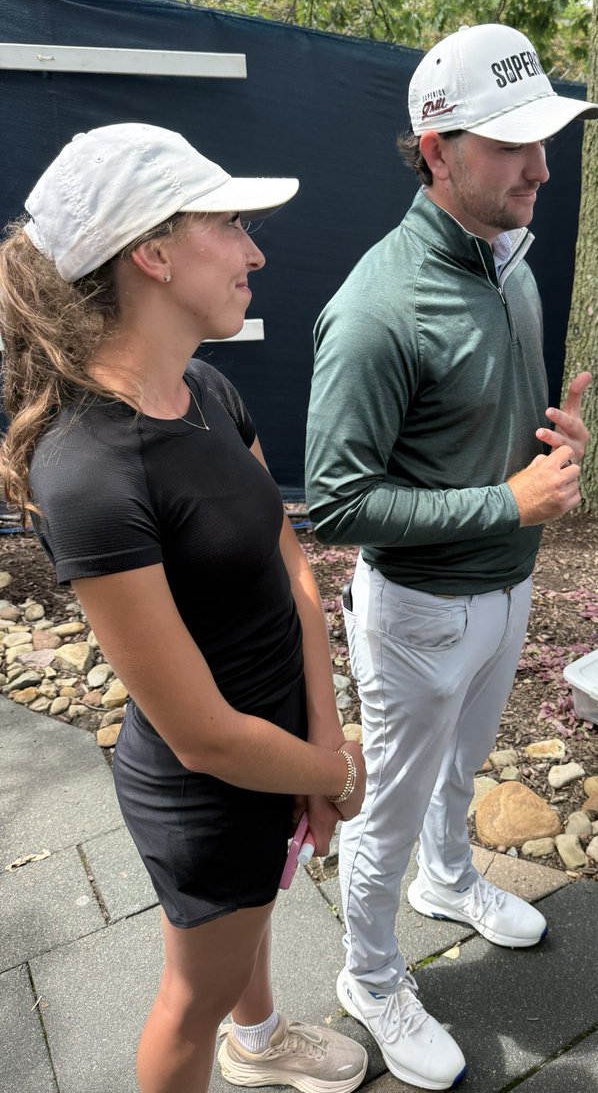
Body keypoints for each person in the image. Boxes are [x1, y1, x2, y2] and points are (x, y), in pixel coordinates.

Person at [0, 123, 369, 1093]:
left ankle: (261, 1041)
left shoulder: (205, 388)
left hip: (280, 748)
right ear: (152, 254)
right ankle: (238, 1037)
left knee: (247, 932)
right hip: (209, 801)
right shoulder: (88, 472)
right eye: (232, 225)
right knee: (186, 1002)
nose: (253, 250)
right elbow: (203, 737)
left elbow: (289, 562)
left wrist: (319, 737)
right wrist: (332, 772)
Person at [304, 23, 598, 1090]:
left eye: (545, 138)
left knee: (459, 770)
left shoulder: (505, 258)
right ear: (437, 149)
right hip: (421, 611)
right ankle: (369, 976)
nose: (541, 166)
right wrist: (505, 499)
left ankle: (450, 878)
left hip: (504, 591)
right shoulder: (377, 308)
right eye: (513, 143)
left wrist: (549, 437)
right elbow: (334, 504)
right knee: (384, 804)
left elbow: (484, 412)